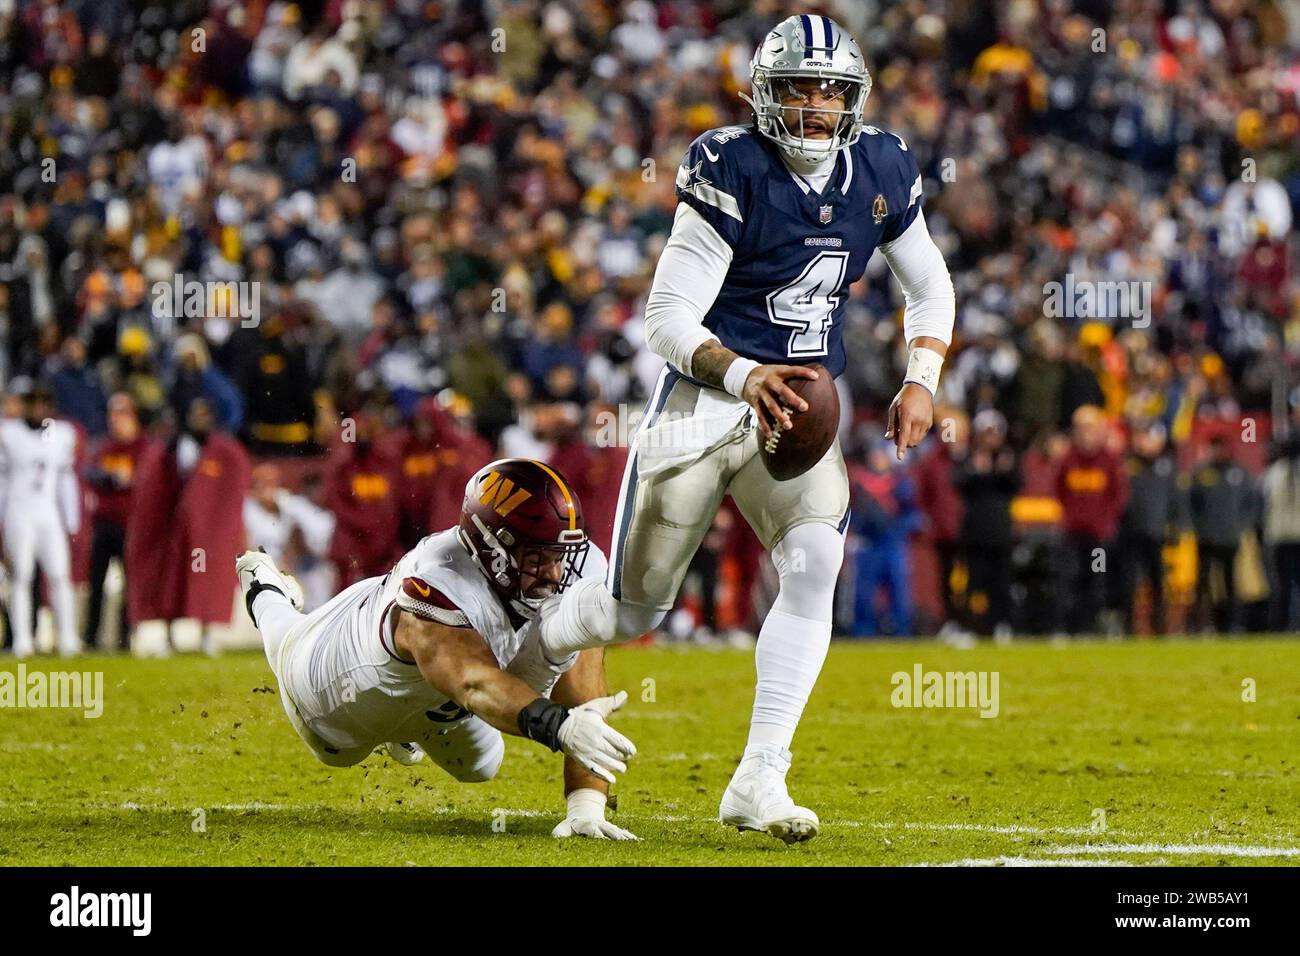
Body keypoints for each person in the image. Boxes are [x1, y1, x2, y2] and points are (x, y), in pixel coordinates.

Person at [537, 15, 954, 843]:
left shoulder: (882, 162)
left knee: (816, 556)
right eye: (798, 88)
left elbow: (930, 286)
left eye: (830, 91)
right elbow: (665, 318)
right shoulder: (729, 163)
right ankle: (498, 656)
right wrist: (741, 372)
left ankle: (760, 775)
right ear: (764, 94)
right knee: (630, 610)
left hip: (797, 408)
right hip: (706, 400)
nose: (813, 107)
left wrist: (922, 378)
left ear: (853, 99)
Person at [236, 458, 638, 840]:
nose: (554, 573)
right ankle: (263, 588)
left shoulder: (570, 569)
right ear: (492, 547)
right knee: (309, 692)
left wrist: (586, 805)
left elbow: (583, 678)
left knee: (482, 765)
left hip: (432, 692)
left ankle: (409, 726)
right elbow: (473, 682)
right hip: (332, 676)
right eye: (538, 557)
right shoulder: (439, 582)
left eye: (559, 556)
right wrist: (559, 726)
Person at [125, 397, 250, 654]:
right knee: (170, 582)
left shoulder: (224, 452)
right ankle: (168, 636)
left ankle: (206, 635)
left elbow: (230, 492)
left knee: (205, 582)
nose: (199, 420)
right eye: (195, 415)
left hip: (205, 533)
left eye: (204, 415)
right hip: (173, 531)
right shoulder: (174, 448)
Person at [0, 380, 81, 657]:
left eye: (43, 403)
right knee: (21, 575)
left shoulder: (61, 434)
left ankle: (68, 638)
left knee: (60, 575)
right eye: (33, 402)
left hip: (48, 512)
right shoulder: (9, 433)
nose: (38, 408)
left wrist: (72, 518)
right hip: (19, 510)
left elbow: (65, 478)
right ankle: (23, 639)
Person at [82, 393, 153, 650]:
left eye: (121, 416)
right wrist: (112, 478)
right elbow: (89, 472)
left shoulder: (144, 447)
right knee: (96, 583)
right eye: (113, 416)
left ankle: (125, 640)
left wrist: (119, 480)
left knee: (129, 585)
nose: (116, 422)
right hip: (103, 523)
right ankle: (90, 639)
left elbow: (146, 480)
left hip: (130, 525)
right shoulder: (104, 445)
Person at [1055, 405, 1129, 634]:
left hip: (1099, 538)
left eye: (1090, 428)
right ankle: (1070, 628)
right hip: (1073, 536)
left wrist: (1105, 522)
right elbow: (1059, 491)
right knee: (1070, 580)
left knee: (1098, 580)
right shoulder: (1068, 460)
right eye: (1081, 428)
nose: (1086, 434)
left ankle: (1093, 626)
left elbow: (1119, 495)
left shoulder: (1109, 461)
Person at [953, 409, 1020, 637]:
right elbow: (959, 483)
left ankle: (1002, 625)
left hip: (1001, 532)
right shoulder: (968, 458)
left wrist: (997, 472)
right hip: (975, 532)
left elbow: (1016, 483)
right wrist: (979, 472)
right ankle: (968, 628)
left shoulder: (1008, 458)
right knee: (973, 583)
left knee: (1001, 583)